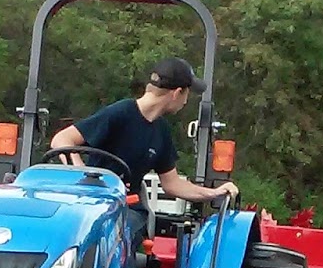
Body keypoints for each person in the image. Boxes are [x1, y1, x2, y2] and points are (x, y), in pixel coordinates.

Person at [47, 57, 240, 251]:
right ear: (177, 93)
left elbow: (172, 184)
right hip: (93, 204)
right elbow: (61, 140)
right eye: (187, 94)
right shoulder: (120, 113)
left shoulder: (161, 131)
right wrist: (85, 175)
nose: (186, 101)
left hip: (128, 209)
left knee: (118, 233)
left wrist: (214, 193)